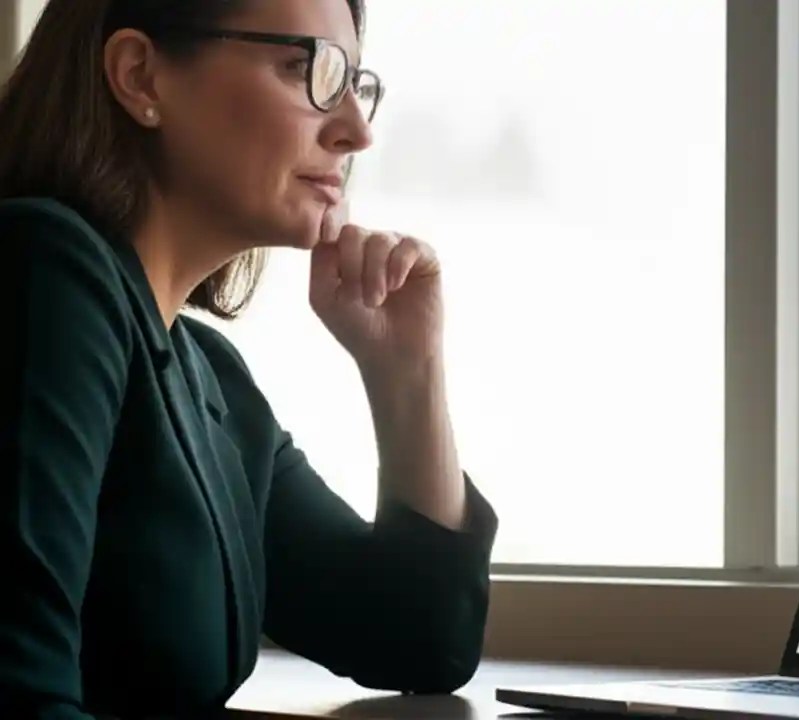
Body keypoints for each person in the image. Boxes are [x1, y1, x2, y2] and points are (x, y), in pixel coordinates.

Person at [0, 1, 499, 717]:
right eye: (305, 69)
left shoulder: (210, 378)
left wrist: (406, 371)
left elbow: (417, 641)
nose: (356, 130)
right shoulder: (40, 272)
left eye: (355, 82)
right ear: (141, 76)